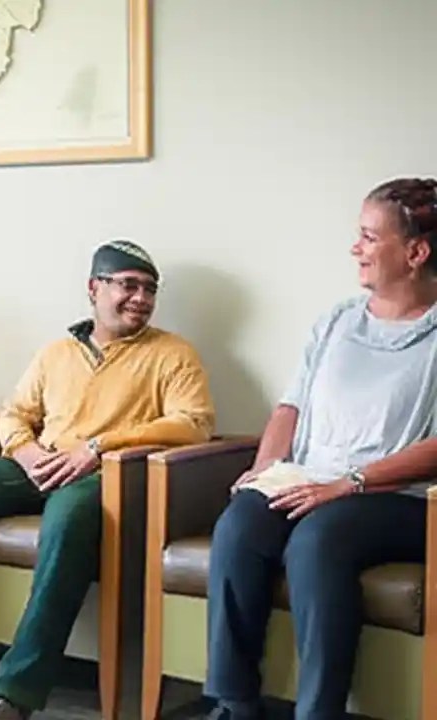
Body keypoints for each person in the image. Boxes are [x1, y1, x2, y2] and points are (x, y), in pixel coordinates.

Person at [0, 240, 216, 720]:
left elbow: (193, 423)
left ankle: (12, 692)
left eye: (150, 289)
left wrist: (98, 447)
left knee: (68, 515)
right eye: (129, 285)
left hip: (108, 472)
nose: (141, 298)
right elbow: (15, 412)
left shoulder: (173, 354)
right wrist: (27, 452)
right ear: (94, 288)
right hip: (40, 461)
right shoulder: (57, 353)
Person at [204, 178, 437, 720]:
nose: (355, 247)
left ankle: (318, 712)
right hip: (310, 478)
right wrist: (265, 468)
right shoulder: (337, 321)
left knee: (317, 539)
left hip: (398, 496)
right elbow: (291, 407)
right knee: (240, 525)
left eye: (367, 236)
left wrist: (346, 485)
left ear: (415, 251)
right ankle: (234, 703)